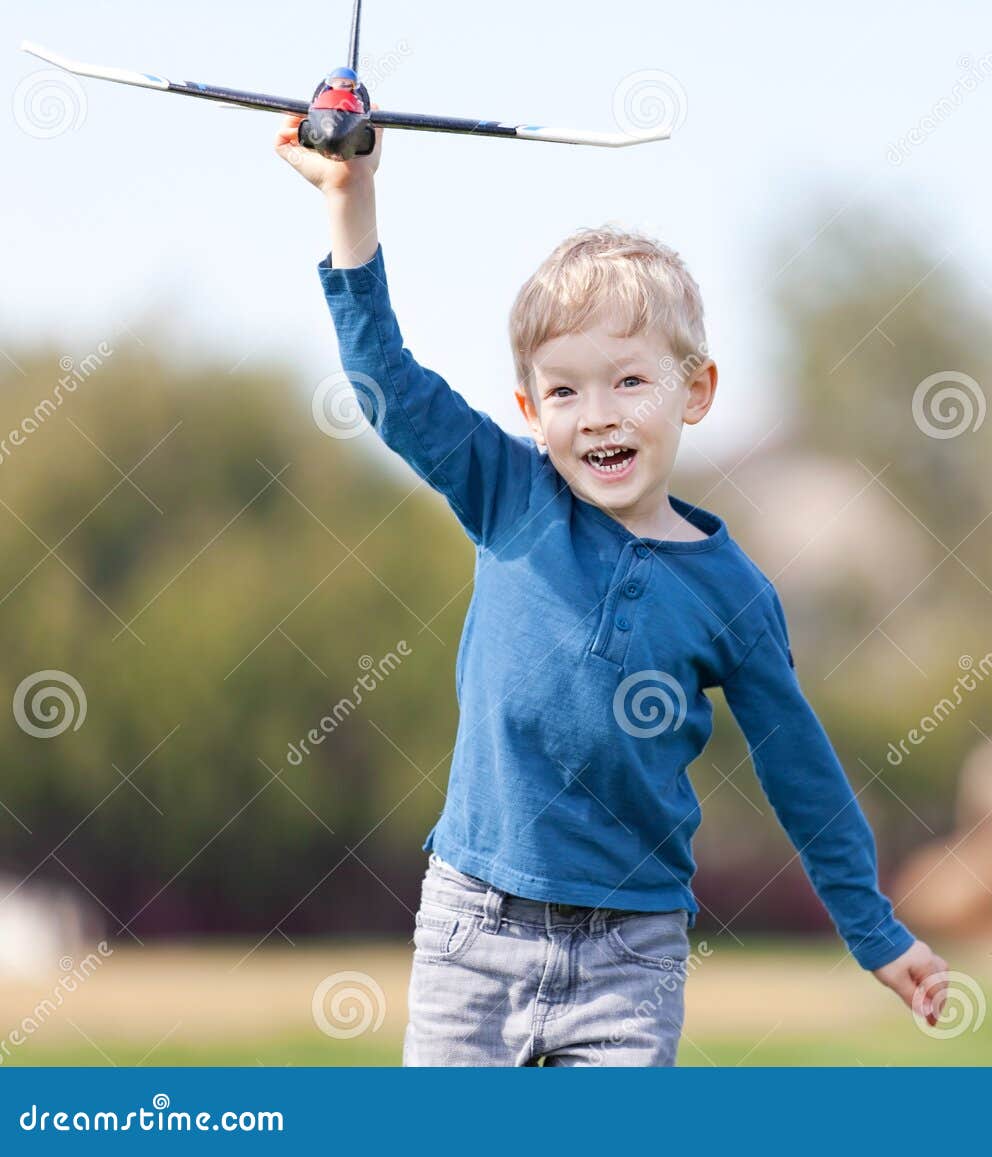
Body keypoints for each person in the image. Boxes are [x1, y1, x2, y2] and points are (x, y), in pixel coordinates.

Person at [272, 114, 949, 1065]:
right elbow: (383, 379)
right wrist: (352, 199)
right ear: (528, 410)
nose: (598, 416)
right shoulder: (509, 493)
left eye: (630, 381)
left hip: (631, 957)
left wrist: (875, 929)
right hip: (472, 931)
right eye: (564, 392)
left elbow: (803, 774)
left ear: (696, 390)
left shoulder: (735, 596)